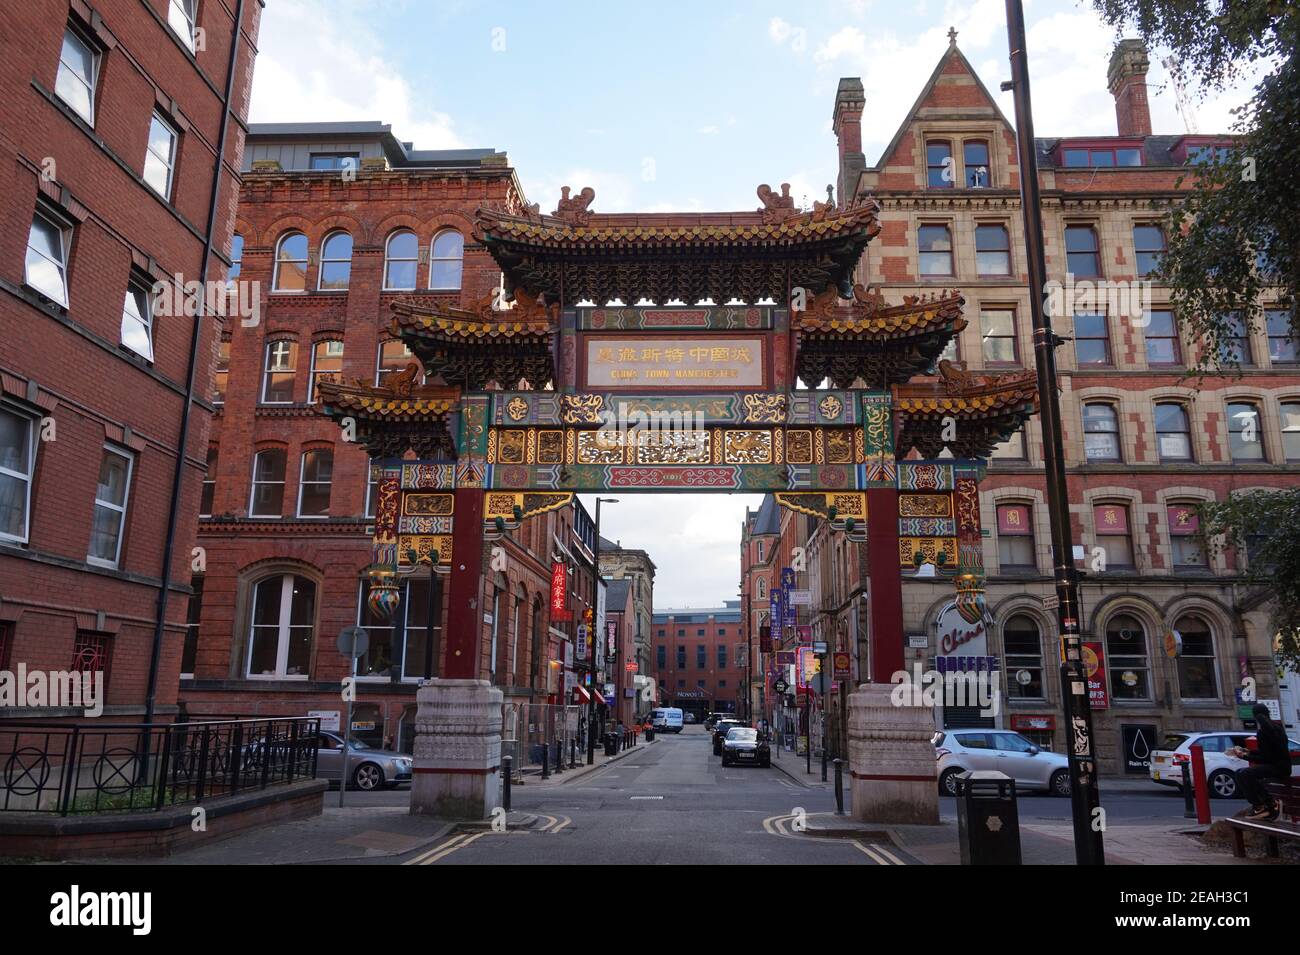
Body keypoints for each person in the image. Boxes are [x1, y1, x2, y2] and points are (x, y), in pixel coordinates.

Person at [1231, 704, 1292, 820]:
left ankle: (1263, 805)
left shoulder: (1264, 732)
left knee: (1244, 773)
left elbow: (1266, 758)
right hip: (1283, 766)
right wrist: (1248, 752)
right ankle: (1263, 805)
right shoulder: (1277, 728)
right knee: (1241, 772)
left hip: (1277, 767)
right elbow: (1267, 752)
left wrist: (1245, 756)